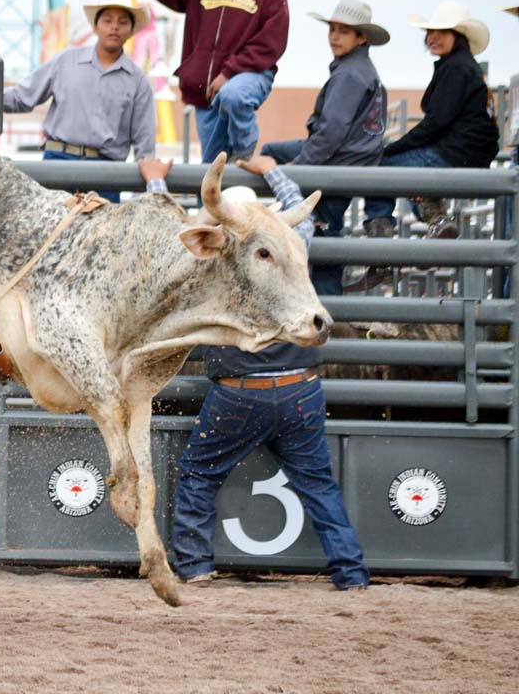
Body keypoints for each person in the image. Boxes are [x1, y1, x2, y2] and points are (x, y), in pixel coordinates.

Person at [139, 154, 370, 592]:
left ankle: (194, 565)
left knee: (199, 472)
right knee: (318, 484)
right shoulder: (288, 240)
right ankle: (352, 572)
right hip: (302, 388)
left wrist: (155, 182)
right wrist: (272, 172)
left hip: (239, 394)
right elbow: (299, 210)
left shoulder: (216, 255)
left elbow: (171, 245)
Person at [346, 1, 500, 292]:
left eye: (441, 32)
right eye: (430, 32)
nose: (432, 37)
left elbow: (435, 123)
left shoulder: (455, 69)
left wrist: (390, 150)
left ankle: (381, 257)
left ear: (459, 35)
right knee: (405, 171)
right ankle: (435, 218)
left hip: (452, 153)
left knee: (377, 170)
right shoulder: (464, 68)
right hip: (464, 155)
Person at [142, 0, 288, 165]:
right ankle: (214, 195)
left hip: (248, 75)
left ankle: (243, 158)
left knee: (233, 96)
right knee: (211, 174)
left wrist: (230, 72)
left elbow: (273, 38)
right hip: (204, 90)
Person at [260, 0, 389, 296]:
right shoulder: (360, 70)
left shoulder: (348, 74)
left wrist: (300, 169)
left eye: (344, 31)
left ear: (361, 37)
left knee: (325, 230)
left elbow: (331, 132)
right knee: (272, 151)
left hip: (338, 162)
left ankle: (325, 302)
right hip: (352, 156)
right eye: (332, 29)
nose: (334, 36)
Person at [4, 0, 156, 204]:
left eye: (123, 22)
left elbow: (145, 145)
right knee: (50, 234)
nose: (114, 27)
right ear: (95, 26)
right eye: (107, 20)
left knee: (102, 237)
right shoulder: (66, 61)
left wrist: (141, 201)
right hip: (58, 164)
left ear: (132, 30)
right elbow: (22, 97)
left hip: (107, 174)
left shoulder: (138, 82)